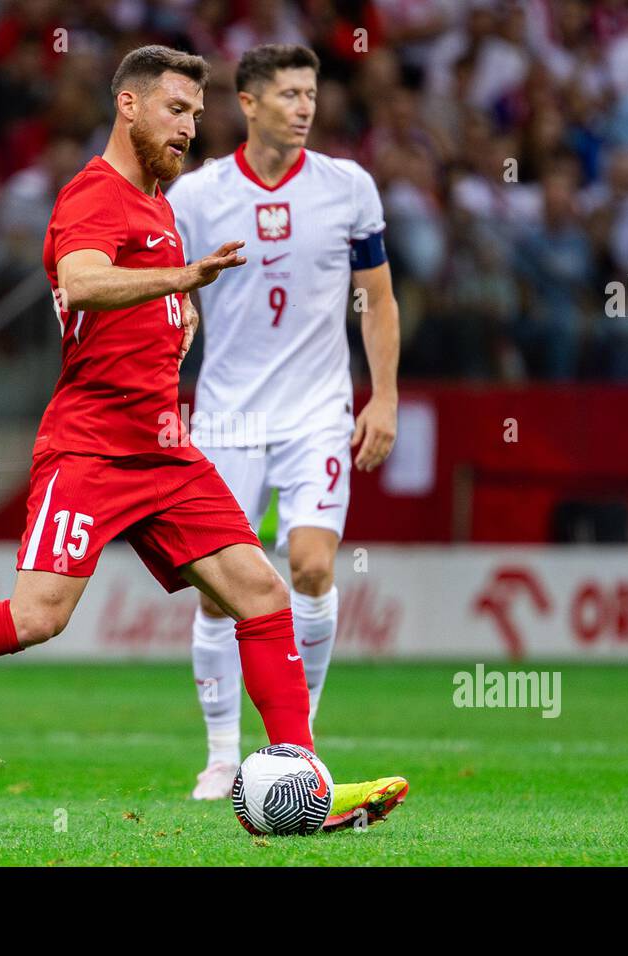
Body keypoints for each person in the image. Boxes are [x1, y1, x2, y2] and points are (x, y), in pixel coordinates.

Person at [0, 44, 407, 831]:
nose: (190, 126)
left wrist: (174, 318)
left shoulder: (159, 201)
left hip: (163, 446)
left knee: (262, 593)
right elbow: (82, 280)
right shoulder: (95, 194)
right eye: (175, 110)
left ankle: (307, 787)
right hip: (90, 446)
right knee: (36, 619)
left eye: (197, 113)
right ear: (129, 106)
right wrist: (183, 282)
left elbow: (126, 300)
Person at [167, 44, 401, 800]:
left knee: (308, 564)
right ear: (248, 102)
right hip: (228, 416)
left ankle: (300, 744)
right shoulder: (197, 198)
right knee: (218, 590)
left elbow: (379, 299)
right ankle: (220, 756)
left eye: (311, 91)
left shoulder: (348, 188)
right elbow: (167, 300)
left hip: (316, 413)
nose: (304, 107)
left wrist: (385, 396)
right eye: (290, 94)